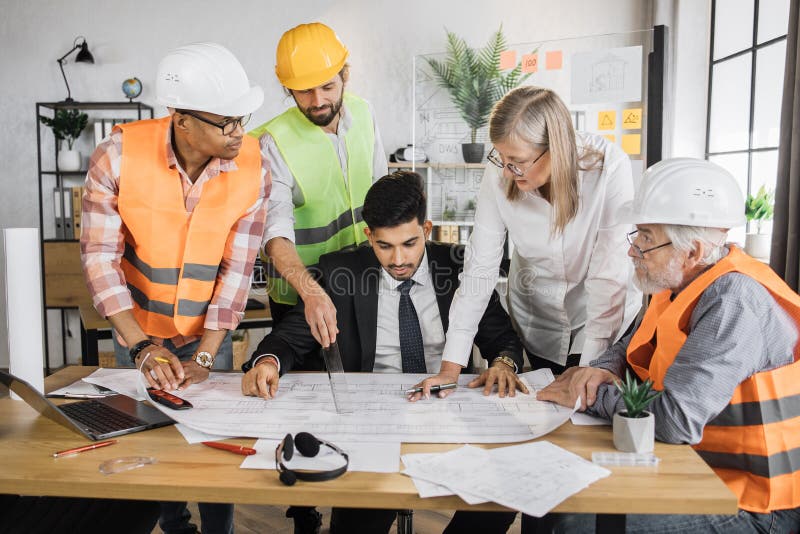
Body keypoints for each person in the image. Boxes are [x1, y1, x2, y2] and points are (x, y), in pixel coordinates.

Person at [242, 171, 527, 534]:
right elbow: (289, 337)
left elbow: (503, 339)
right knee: (357, 523)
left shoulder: (460, 269)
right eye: (384, 246)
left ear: (427, 228)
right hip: (371, 420)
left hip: (447, 413)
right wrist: (267, 361)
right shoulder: (340, 272)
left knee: (496, 502)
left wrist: (503, 362)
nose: (398, 259)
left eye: (409, 243)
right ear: (368, 236)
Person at [537, 158, 800, 533]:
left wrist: (588, 396)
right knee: (556, 502)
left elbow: (676, 419)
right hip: (693, 466)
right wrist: (603, 370)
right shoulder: (681, 285)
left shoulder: (733, 300)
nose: (633, 250)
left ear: (691, 251)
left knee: (575, 524)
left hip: (751, 499)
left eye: (645, 237)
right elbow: (629, 345)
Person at [81, 42, 269, 534]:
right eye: (226, 122)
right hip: (137, 329)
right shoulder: (116, 156)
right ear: (181, 120)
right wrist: (140, 345)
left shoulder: (255, 165)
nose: (239, 131)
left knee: (214, 443)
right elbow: (100, 259)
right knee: (153, 439)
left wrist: (207, 355)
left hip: (206, 332)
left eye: (242, 117)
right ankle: (172, 524)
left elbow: (237, 271)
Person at [414, 86, 642, 398]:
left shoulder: (608, 167)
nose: (506, 172)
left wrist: (587, 371)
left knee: (584, 409)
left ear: (555, 149)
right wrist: (449, 369)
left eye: (517, 161)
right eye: (501, 157)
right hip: (538, 318)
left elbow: (608, 277)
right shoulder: (500, 170)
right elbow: (479, 269)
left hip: (600, 317)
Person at [249, 21, 388, 350]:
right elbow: (275, 232)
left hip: (363, 278)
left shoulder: (364, 115)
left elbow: (383, 194)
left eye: (327, 86)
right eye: (304, 91)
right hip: (301, 293)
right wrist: (311, 293)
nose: (317, 100)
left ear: (345, 75)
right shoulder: (272, 143)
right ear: (287, 88)